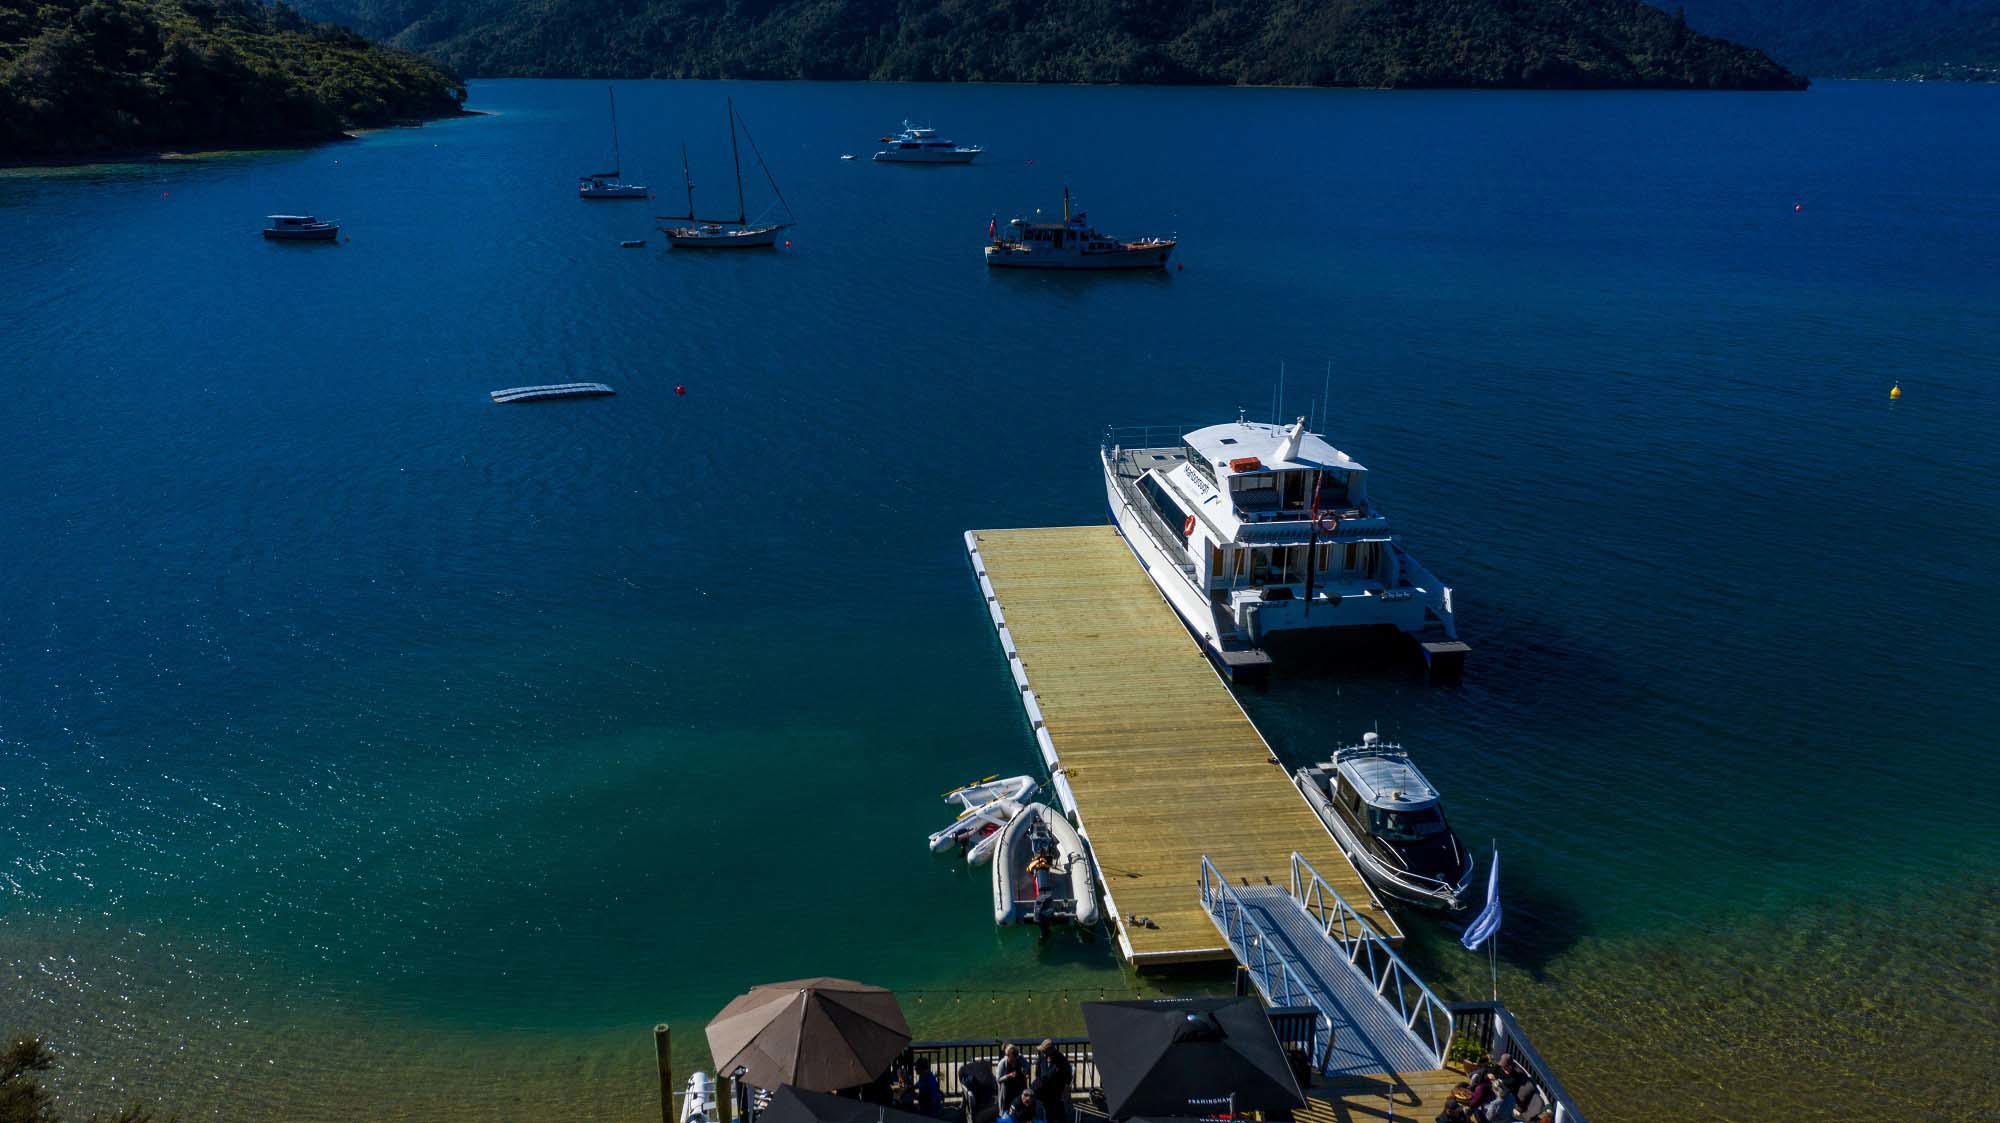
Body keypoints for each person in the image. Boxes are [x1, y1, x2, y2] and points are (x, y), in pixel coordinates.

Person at [997, 1044, 1028, 1112]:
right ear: (1007, 1056)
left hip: (1019, 1089)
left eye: (1015, 1059)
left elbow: (1027, 1065)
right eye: (1012, 1060)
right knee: (1007, 1111)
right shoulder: (1002, 1063)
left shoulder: (1019, 1057)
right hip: (1007, 1091)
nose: (1014, 1061)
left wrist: (1025, 1071)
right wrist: (1008, 1076)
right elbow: (998, 1079)